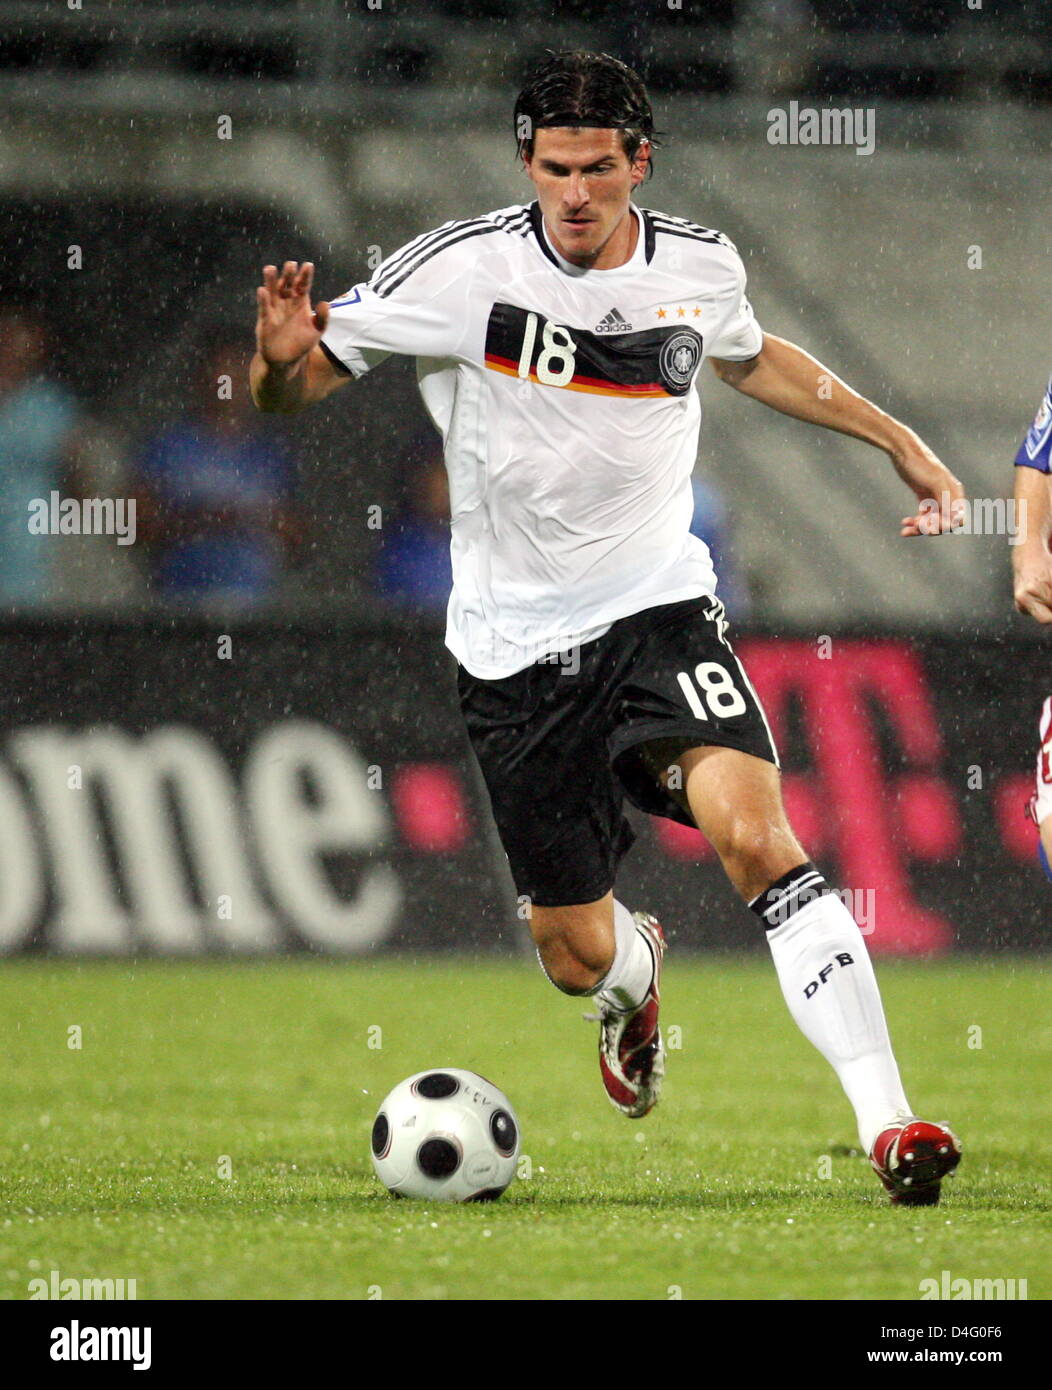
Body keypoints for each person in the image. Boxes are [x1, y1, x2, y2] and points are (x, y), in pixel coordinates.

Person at [251, 50, 965, 1205]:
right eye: (550, 171)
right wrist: (275, 367)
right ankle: (633, 982)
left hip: (656, 610)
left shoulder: (698, 264)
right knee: (572, 952)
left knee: (754, 835)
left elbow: (749, 355)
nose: (572, 195)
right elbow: (299, 381)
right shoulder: (457, 272)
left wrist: (896, 442)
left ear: (640, 162)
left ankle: (889, 1121)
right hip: (510, 652)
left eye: (595, 169)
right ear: (524, 164)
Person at [135, 338, 301, 608]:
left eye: (240, 373)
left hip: (252, 603)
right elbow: (136, 525)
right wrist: (202, 521)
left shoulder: (271, 455)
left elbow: (295, 534)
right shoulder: (168, 447)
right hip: (178, 600)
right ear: (200, 378)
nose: (230, 385)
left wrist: (252, 522)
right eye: (223, 372)